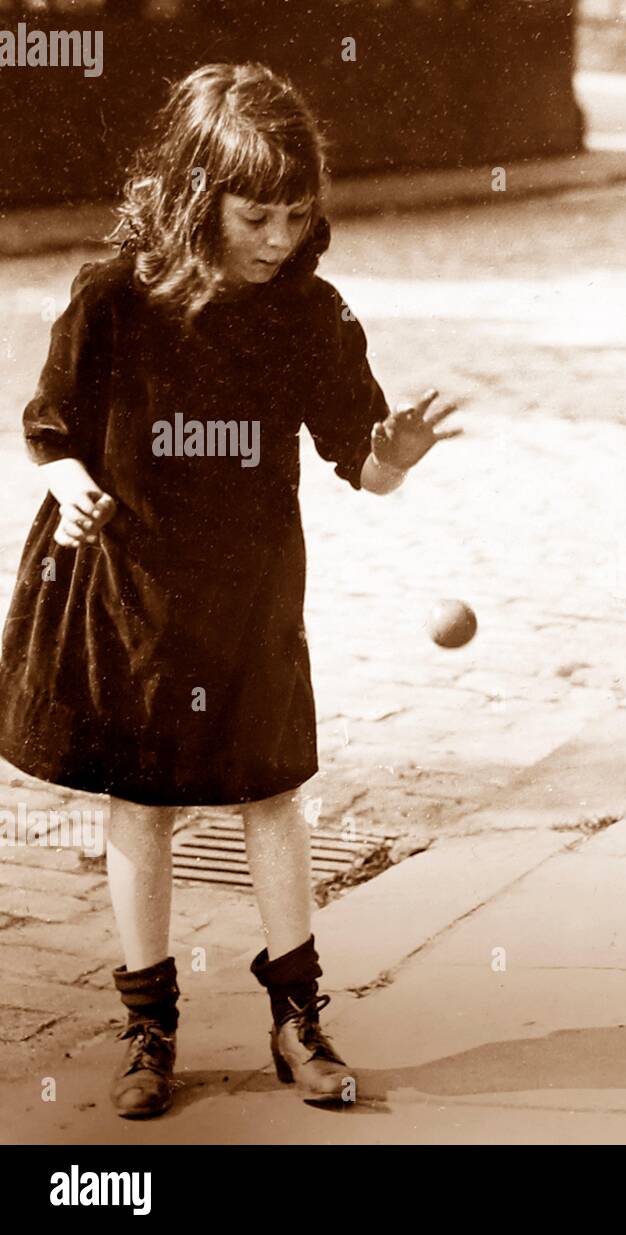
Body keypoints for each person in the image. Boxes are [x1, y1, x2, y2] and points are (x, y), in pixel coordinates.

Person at [0, 63, 463, 1118]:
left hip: (252, 595)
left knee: (270, 794)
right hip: (132, 589)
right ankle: (148, 1023)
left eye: (298, 217)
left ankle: (297, 1013)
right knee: (143, 804)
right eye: (257, 216)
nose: (278, 239)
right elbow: (48, 427)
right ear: (195, 195)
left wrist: (396, 451)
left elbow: (365, 462)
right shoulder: (114, 297)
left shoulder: (307, 312)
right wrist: (69, 485)